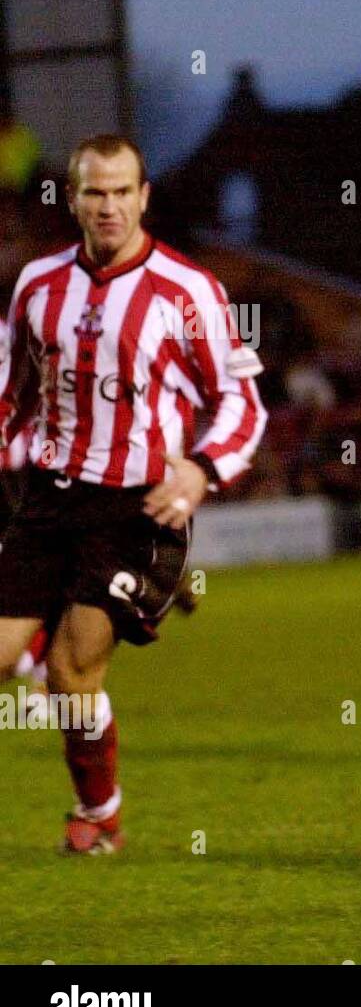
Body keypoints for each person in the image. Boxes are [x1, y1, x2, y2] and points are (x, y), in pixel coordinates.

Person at [0, 134, 266, 854]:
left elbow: (243, 403)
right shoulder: (36, 285)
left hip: (138, 506)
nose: (109, 205)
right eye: (95, 191)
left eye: (123, 191)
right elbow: (11, 394)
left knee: (70, 666)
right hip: (49, 500)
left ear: (144, 197)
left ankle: (99, 814)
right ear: (75, 198)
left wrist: (202, 469)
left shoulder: (190, 292)